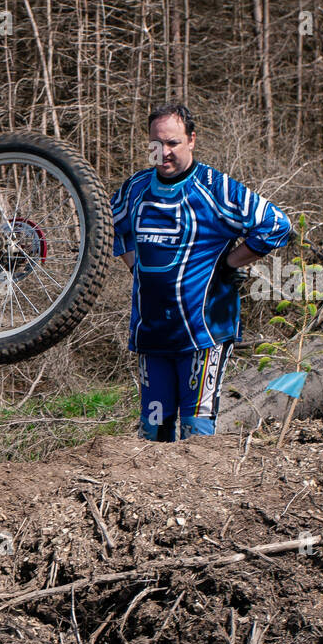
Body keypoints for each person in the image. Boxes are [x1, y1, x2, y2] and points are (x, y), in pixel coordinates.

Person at [111, 103, 291, 441]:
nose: (163, 153)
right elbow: (108, 227)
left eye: (173, 143)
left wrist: (230, 262)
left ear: (192, 140)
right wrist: (137, 269)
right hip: (152, 334)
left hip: (202, 334)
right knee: (153, 434)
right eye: (156, 143)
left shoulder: (217, 188)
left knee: (196, 435)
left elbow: (277, 224)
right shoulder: (133, 190)